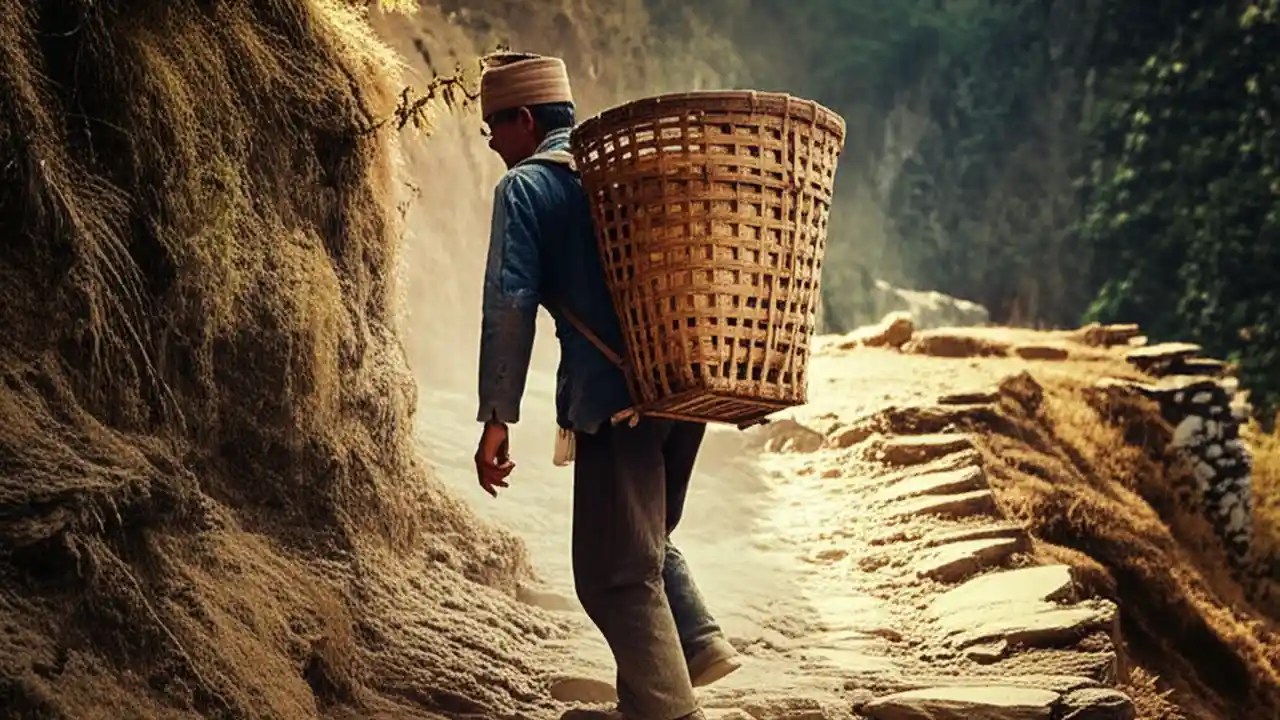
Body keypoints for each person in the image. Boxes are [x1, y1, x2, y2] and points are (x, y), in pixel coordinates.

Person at [471, 52, 742, 720]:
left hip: (613, 399)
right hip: (682, 386)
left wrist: (497, 418)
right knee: (644, 544)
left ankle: (670, 711)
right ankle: (695, 645)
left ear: (525, 120)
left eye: (493, 129)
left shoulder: (528, 189)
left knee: (614, 574)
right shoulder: (625, 171)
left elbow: (509, 302)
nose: (492, 144)